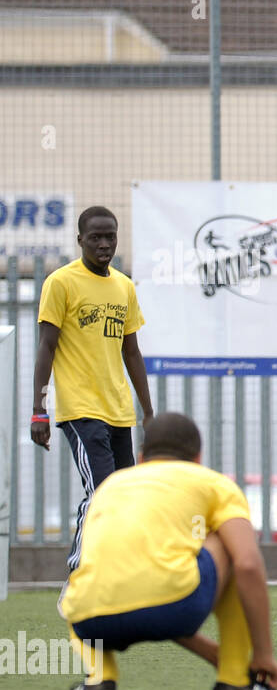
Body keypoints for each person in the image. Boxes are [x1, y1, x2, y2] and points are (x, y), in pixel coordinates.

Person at [60, 412, 277, 690]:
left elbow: (134, 591)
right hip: (174, 606)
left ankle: (98, 681)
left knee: (96, 575)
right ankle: (235, 683)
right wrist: (263, 655)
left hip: (88, 619)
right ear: (198, 458)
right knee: (228, 544)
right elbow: (248, 564)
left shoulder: (110, 486)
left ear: (142, 456)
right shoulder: (213, 483)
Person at [33, 206, 154, 574]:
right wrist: (39, 410)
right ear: (80, 240)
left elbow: (131, 351)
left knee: (123, 500)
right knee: (103, 495)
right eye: (96, 237)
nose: (104, 244)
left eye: (110, 237)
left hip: (118, 410)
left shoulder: (123, 286)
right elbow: (46, 347)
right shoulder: (61, 282)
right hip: (80, 410)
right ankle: (78, 574)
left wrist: (148, 412)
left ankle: (110, 578)